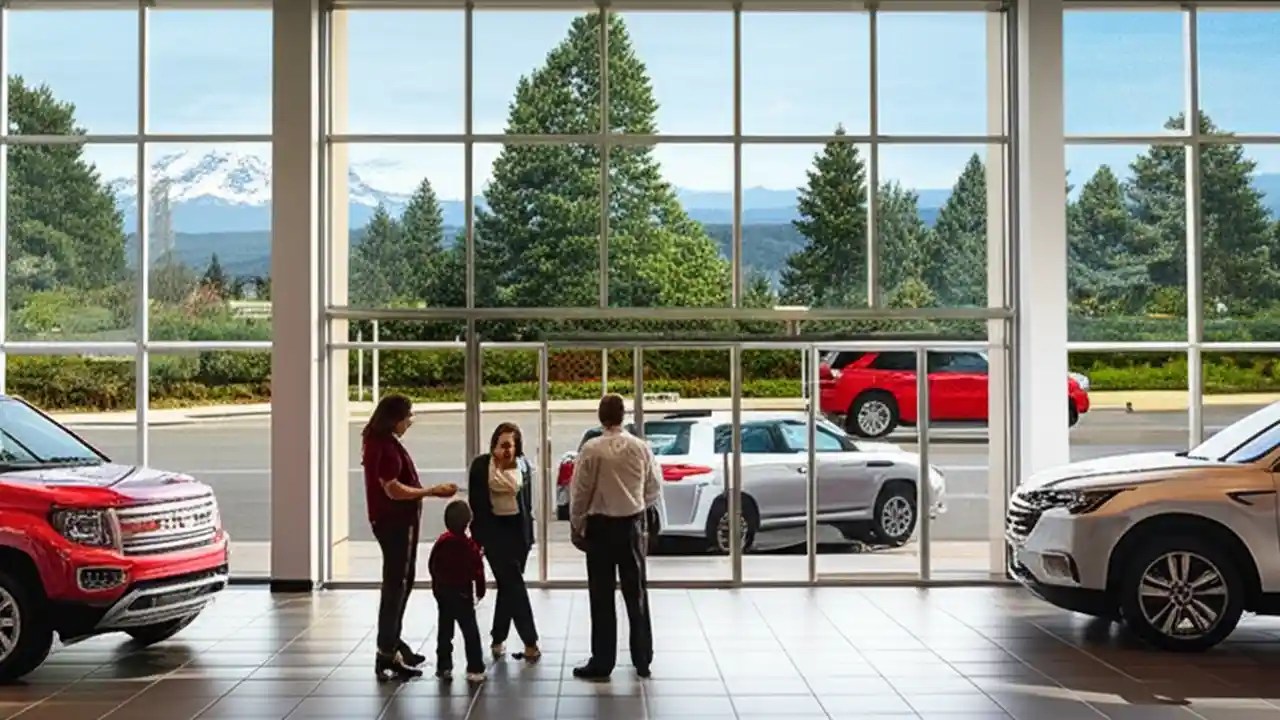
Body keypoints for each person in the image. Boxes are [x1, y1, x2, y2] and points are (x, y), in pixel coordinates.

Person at [362, 394, 459, 680]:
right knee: (397, 585)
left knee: (401, 582)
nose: (410, 422)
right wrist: (431, 491)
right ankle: (386, 653)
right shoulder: (385, 448)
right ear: (395, 418)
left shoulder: (380, 442)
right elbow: (392, 489)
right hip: (395, 523)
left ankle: (394, 642)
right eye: (408, 416)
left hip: (395, 522)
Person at [569, 394, 661, 680]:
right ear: (623, 416)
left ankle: (603, 661)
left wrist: (577, 524)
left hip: (600, 528)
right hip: (631, 527)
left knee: (602, 596)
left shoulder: (591, 449)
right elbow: (654, 487)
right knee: (637, 595)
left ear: (600, 416)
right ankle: (642, 658)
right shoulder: (640, 448)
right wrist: (638, 507)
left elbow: (580, 492)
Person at [467, 422, 542, 661]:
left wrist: (529, 537)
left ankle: (498, 638)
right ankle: (530, 642)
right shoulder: (481, 466)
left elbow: (524, 500)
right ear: (494, 445)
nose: (507, 450)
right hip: (494, 534)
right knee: (514, 585)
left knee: (508, 586)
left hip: (518, 535)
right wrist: (479, 538)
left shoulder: (522, 466)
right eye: (503, 445)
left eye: (512, 445)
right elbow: (476, 502)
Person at [428, 499, 487, 683]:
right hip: (463, 594)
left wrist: (437, 586)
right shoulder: (469, 546)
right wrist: (480, 590)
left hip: (444, 593)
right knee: (470, 631)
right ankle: (475, 667)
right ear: (468, 522)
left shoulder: (442, 541)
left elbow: (432, 565)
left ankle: (444, 666)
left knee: (445, 631)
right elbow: (478, 571)